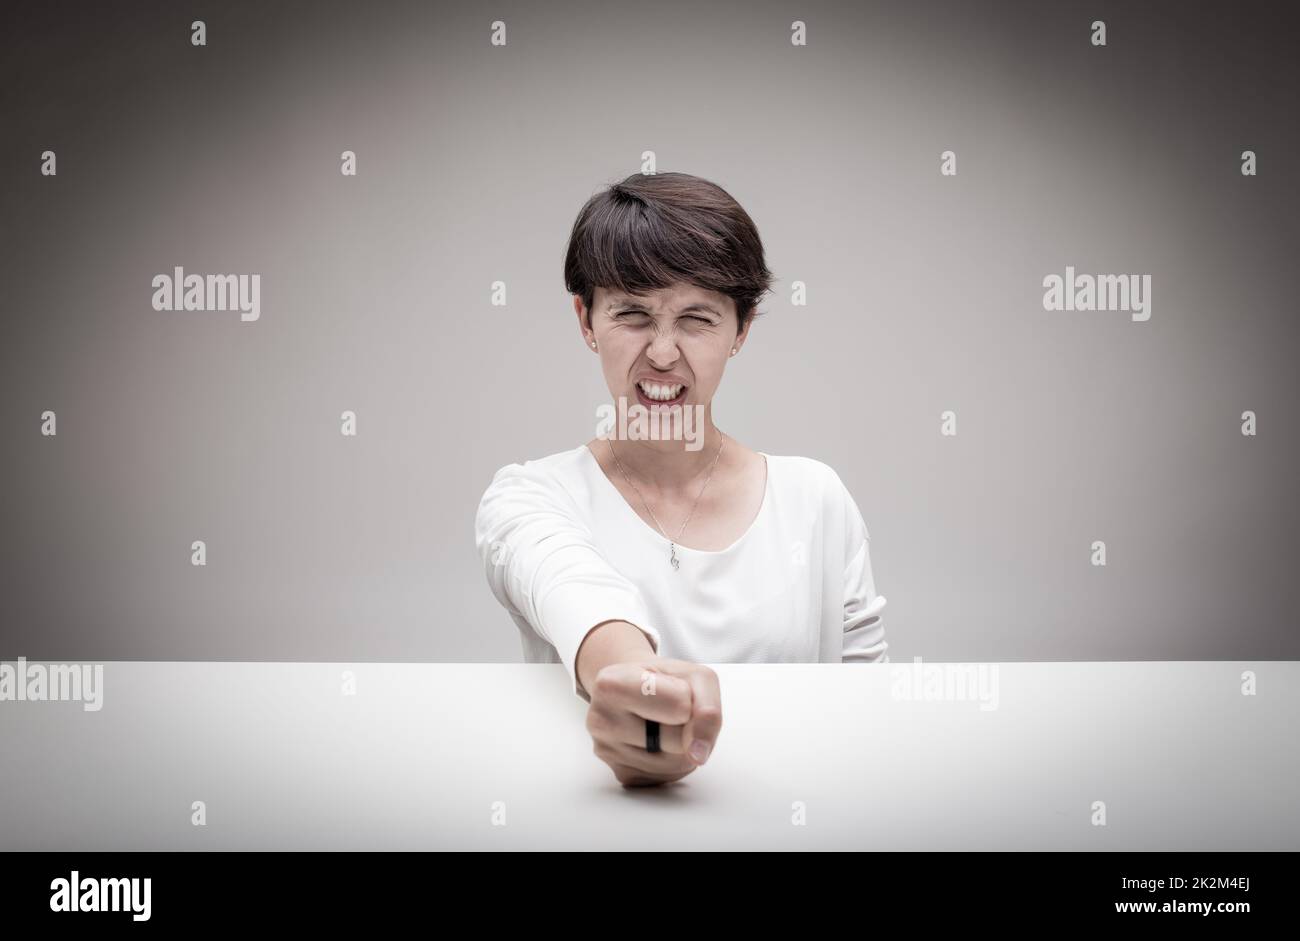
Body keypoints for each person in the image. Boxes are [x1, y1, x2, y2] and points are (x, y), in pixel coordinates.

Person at [474, 171, 888, 788]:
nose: (663, 354)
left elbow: (871, 713)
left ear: (741, 329)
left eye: (697, 319)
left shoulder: (815, 500)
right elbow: (572, 587)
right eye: (633, 314)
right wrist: (638, 682)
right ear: (586, 321)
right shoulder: (531, 497)